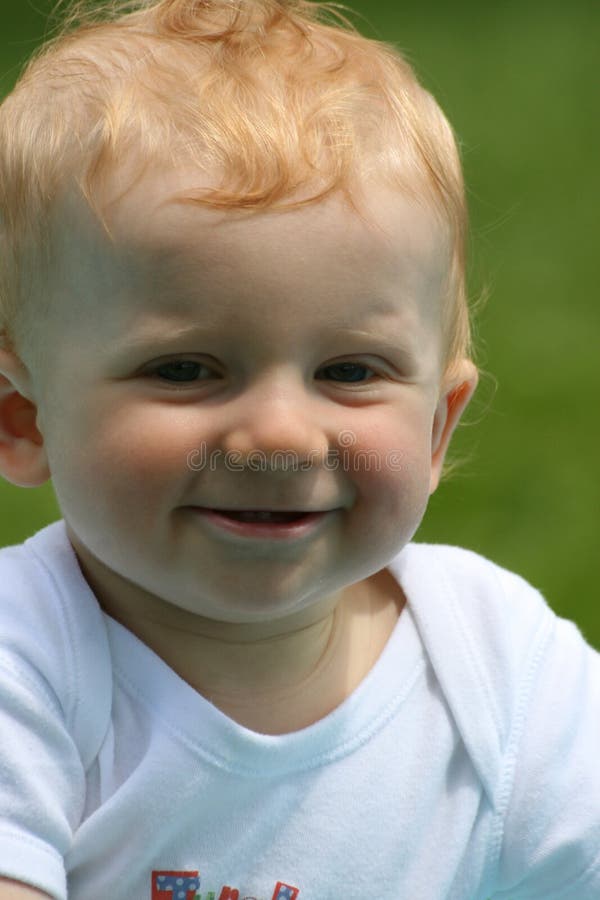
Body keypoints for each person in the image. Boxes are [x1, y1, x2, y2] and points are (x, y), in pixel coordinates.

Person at [0, 0, 598, 897]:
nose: (280, 433)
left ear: (437, 425)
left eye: (350, 371)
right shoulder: (24, 660)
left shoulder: (503, 672)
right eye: (186, 369)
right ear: (22, 417)